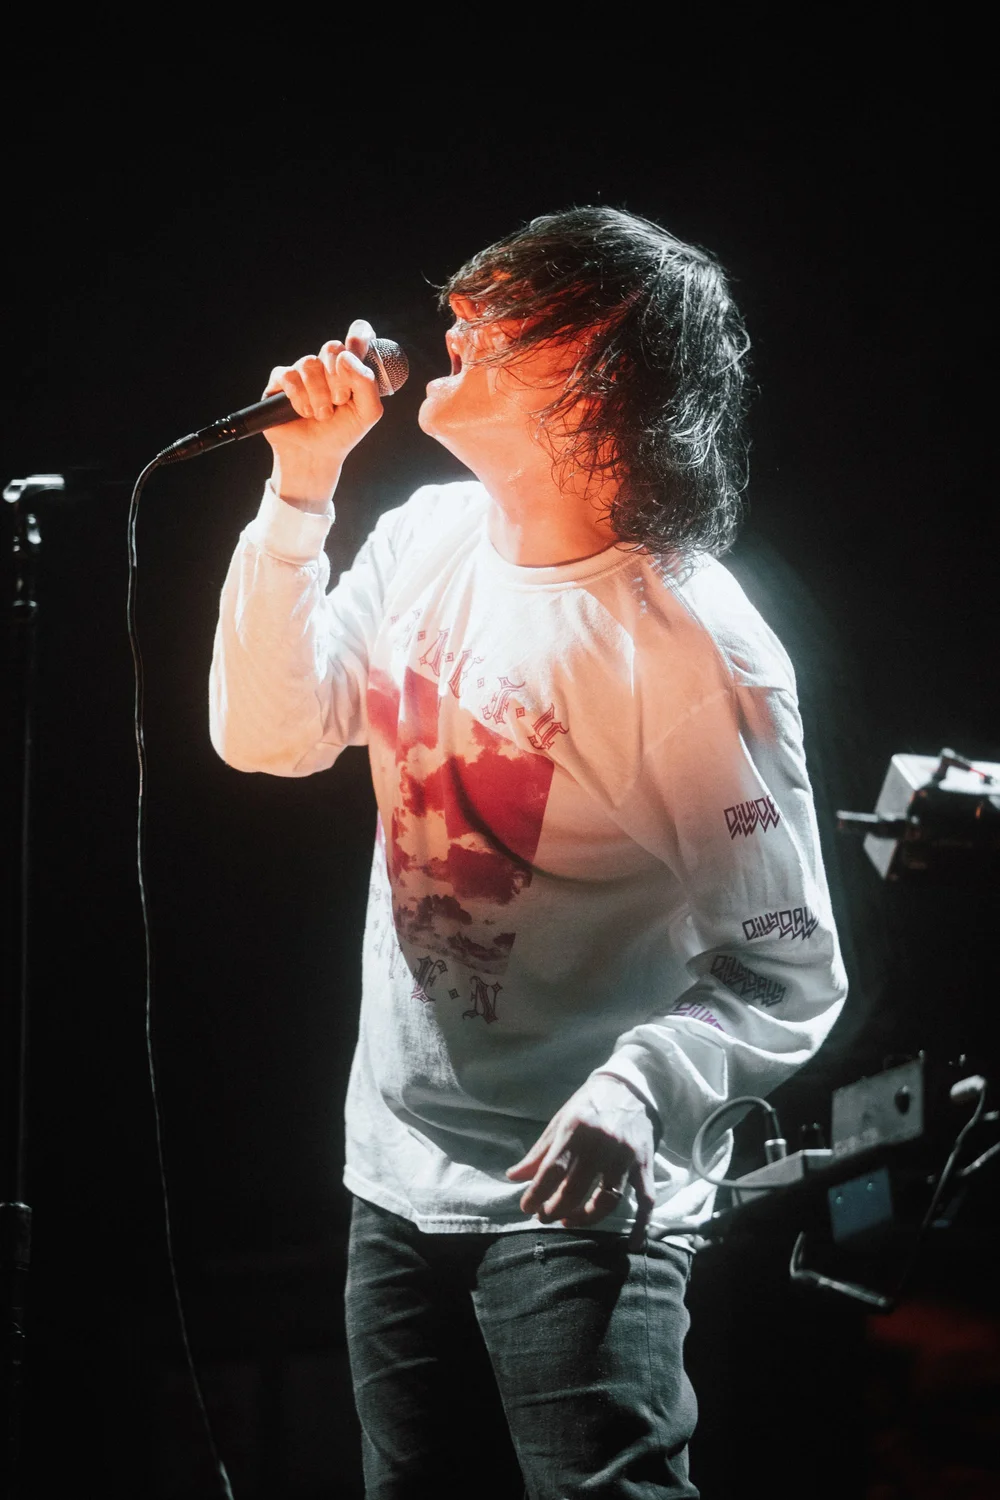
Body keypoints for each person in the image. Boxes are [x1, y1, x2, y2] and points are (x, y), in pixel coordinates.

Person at [209, 207, 847, 1499]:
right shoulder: (426, 538)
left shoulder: (691, 649)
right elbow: (265, 733)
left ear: (603, 381)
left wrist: (637, 1093)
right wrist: (300, 489)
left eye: (509, 310)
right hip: (394, 1179)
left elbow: (787, 970)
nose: (456, 320)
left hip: (578, 1210)